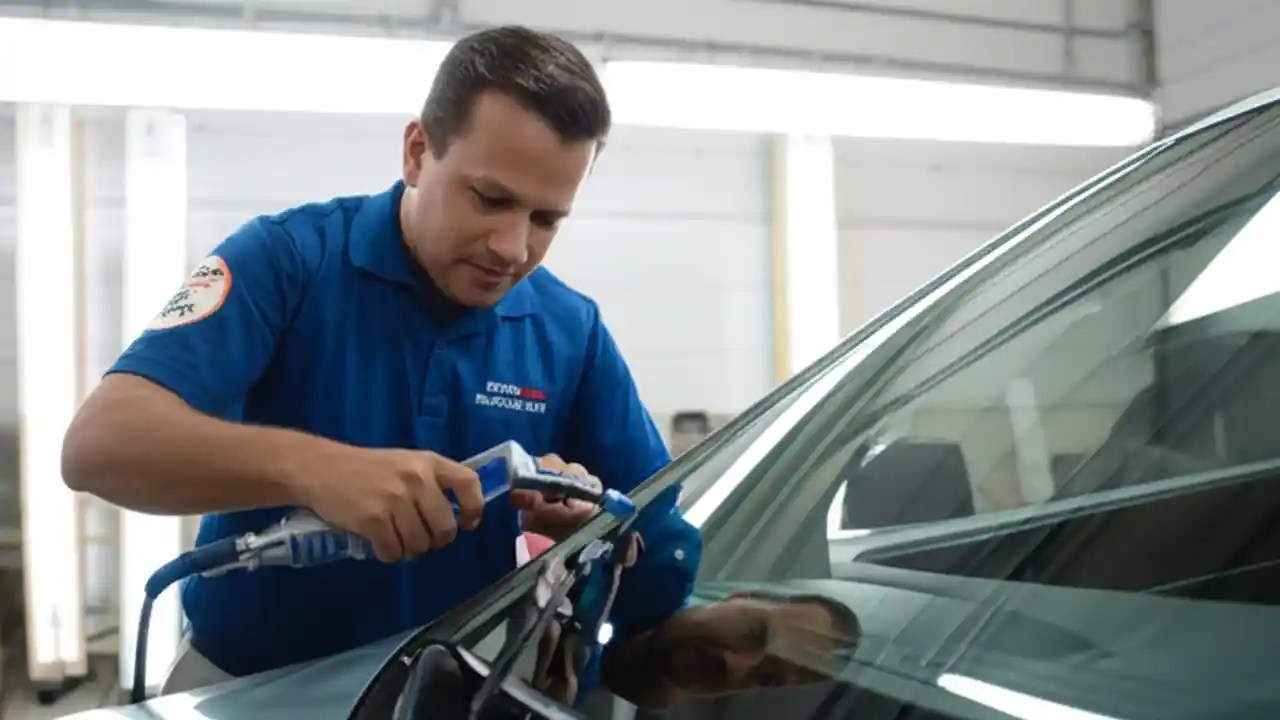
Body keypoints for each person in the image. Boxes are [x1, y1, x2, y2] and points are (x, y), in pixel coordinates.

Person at [61, 24, 696, 692]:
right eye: (491, 199)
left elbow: (656, 534)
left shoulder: (569, 330)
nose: (513, 247)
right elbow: (100, 445)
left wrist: (590, 532)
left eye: (546, 220)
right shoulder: (288, 262)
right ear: (418, 152)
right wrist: (318, 470)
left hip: (447, 694)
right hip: (244, 690)